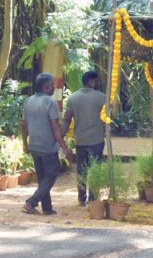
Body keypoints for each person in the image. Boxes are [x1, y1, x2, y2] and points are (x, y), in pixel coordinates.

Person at [21, 73, 73, 215]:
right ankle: (31, 202)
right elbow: (55, 128)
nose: (54, 88)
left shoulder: (28, 101)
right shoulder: (50, 103)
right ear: (46, 86)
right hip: (48, 146)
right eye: (52, 85)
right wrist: (64, 147)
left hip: (34, 145)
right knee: (51, 176)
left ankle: (47, 208)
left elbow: (24, 125)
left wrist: (24, 143)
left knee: (43, 179)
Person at [63, 71, 106, 206]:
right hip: (96, 140)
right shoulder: (102, 97)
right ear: (91, 81)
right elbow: (109, 117)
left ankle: (82, 198)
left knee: (81, 169)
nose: (99, 83)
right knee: (95, 169)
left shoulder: (72, 98)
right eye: (97, 81)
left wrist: (60, 137)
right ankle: (93, 198)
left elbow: (67, 120)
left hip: (80, 140)